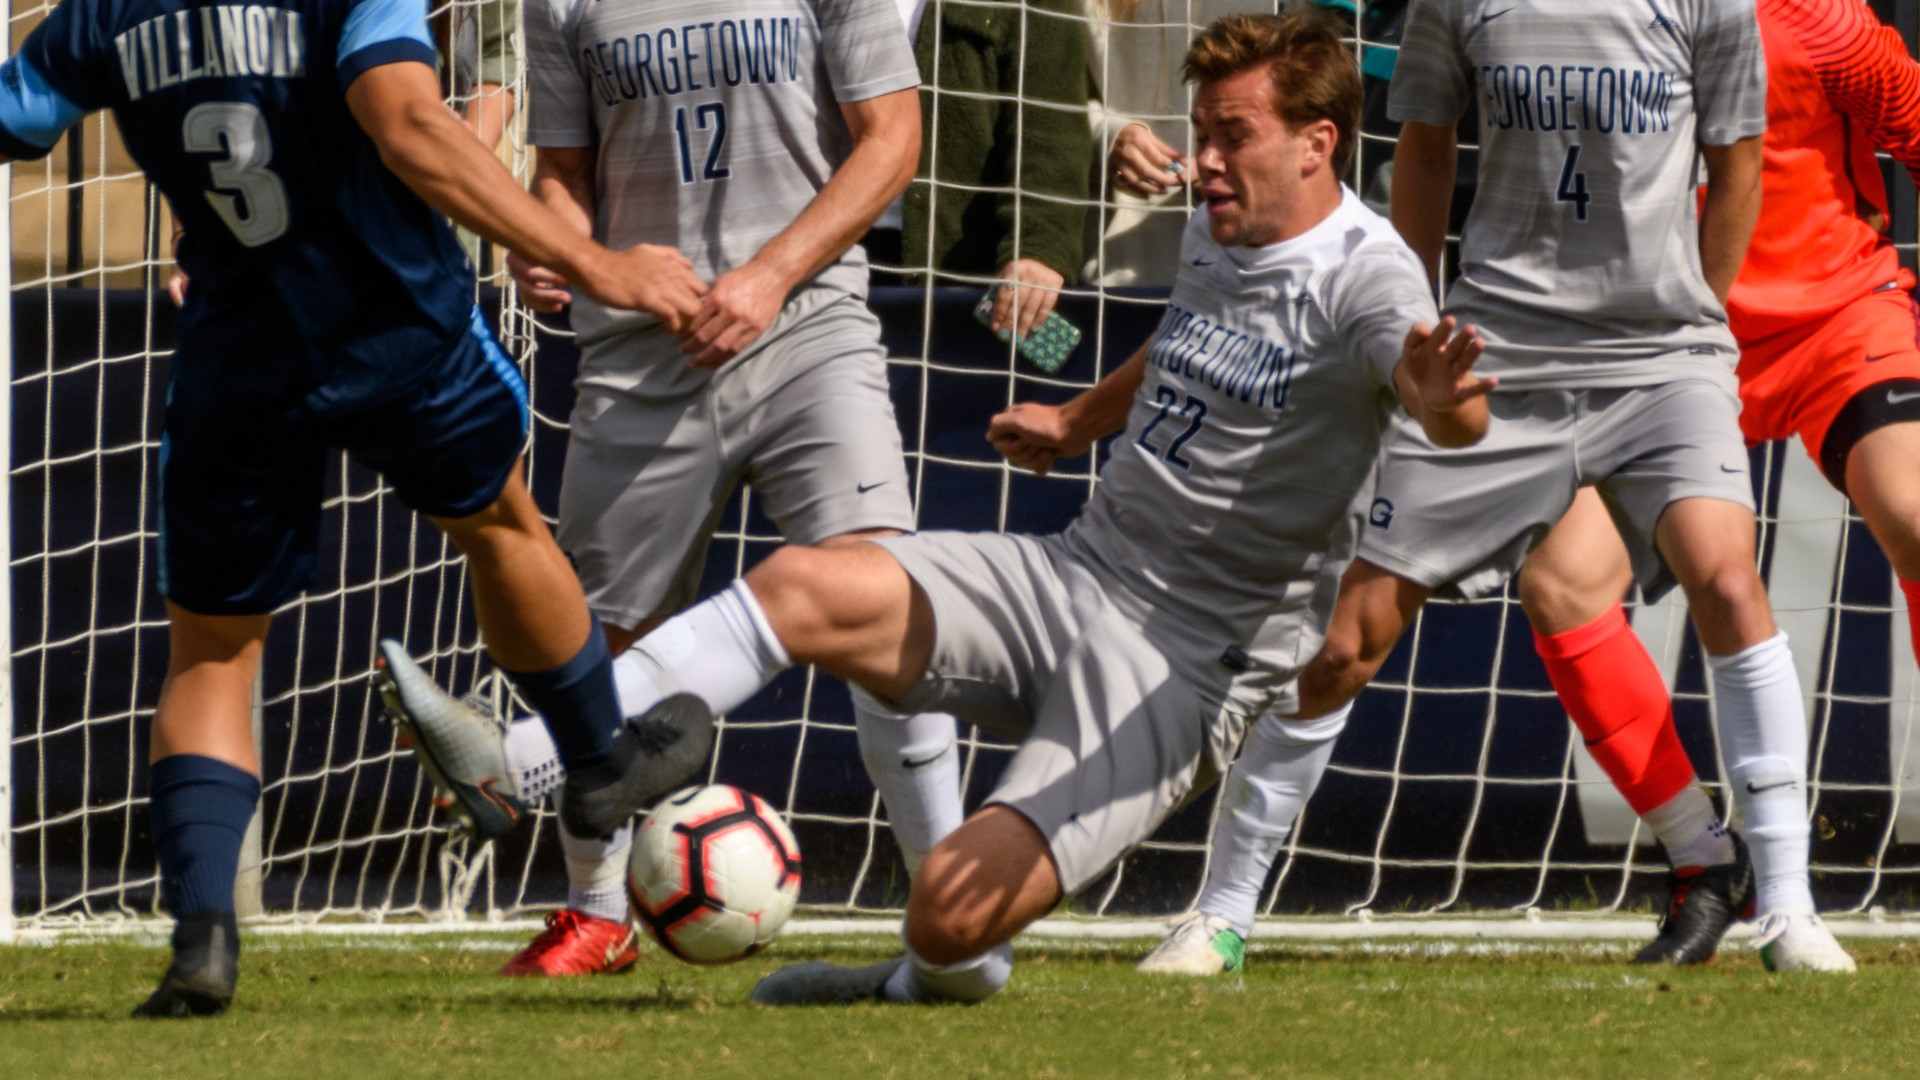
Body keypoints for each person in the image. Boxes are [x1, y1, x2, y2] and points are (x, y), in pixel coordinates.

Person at [482, 9, 1491, 1005]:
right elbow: (1182, 336)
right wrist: (1075, 420)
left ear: (1318, 144)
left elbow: (1439, 404)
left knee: (948, 919)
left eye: (1235, 136)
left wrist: (1445, 400)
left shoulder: (1369, 277)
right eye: (1202, 132)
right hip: (1077, 571)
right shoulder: (1217, 227)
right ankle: (528, 759)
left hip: (1184, 666)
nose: (1207, 161)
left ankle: (929, 978)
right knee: (807, 583)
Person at [0, 0, 716, 1017]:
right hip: (399, 330)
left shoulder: (103, 13)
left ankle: (202, 942)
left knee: (212, 651)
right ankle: (600, 756)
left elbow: (13, 118)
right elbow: (408, 122)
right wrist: (596, 262)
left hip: (240, 356)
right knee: (499, 525)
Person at [1142, 0, 1864, 976]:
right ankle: (1220, 914)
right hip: (1498, 350)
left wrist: (1696, 322)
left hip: (1663, 360)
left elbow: (1739, 166)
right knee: (1348, 639)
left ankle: (1789, 909)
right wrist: (1414, 321)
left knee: (1729, 584)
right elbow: (1427, 149)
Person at [380, 0, 948, 979]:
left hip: (808, 327)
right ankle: (596, 915)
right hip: (638, 356)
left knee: (885, 599)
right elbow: (565, 174)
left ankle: (953, 907)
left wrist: (770, 273)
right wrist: (550, 244)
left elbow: (893, 139)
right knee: (598, 641)